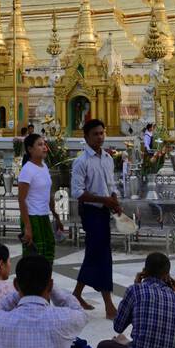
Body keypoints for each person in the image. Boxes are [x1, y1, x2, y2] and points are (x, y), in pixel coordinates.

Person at [96, 252, 175, 348]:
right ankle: (131, 344)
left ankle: (128, 344)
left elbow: (118, 326)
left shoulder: (134, 290)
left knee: (103, 346)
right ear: (167, 275)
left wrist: (135, 291)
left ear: (144, 271)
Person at [71, 118, 121, 318]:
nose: (100, 137)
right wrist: (104, 200)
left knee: (94, 253)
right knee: (102, 256)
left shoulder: (108, 159)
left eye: (102, 133)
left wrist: (114, 200)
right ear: (86, 137)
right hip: (90, 211)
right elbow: (77, 192)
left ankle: (76, 293)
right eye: (95, 134)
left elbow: (111, 184)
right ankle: (109, 304)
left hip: (104, 210)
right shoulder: (81, 162)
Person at [17, 133, 62, 263]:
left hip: (43, 216)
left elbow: (48, 194)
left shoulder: (44, 167)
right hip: (31, 217)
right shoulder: (27, 170)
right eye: (40, 145)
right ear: (30, 149)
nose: (44, 148)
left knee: (48, 251)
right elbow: (21, 199)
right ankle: (31, 283)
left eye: (44, 144)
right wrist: (28, 227)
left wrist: (56, 216)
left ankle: (45, 281)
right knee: (34, 256)